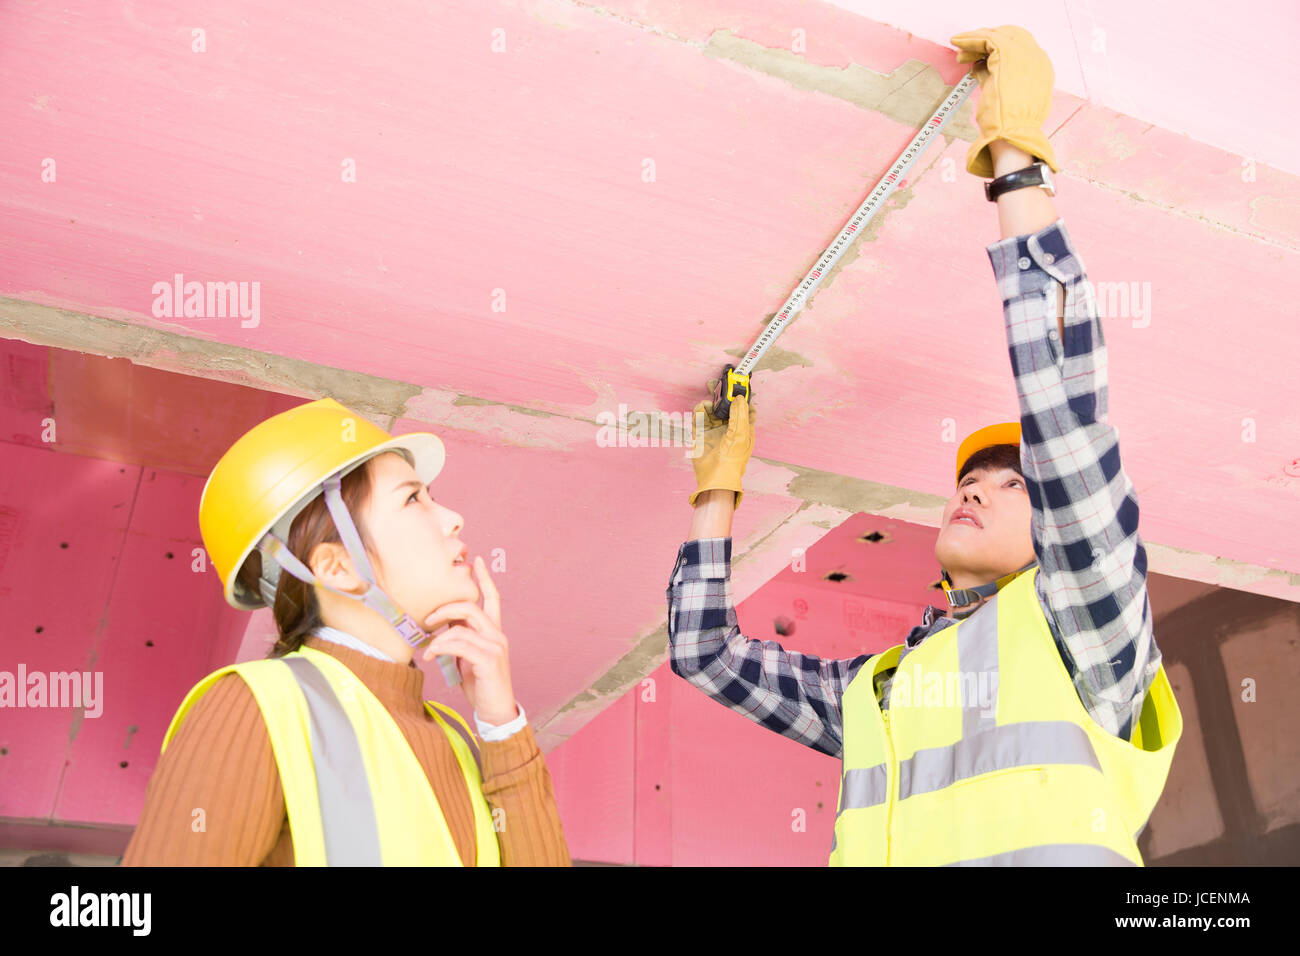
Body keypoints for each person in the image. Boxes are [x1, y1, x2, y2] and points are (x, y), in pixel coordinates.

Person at [667, 26, 1181, 866]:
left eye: (1011, 485)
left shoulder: (1086, 626)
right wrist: (719, 490)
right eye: (970, 478)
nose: (973, 489)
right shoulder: (878, 695)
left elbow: (1066, 418)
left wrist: (1017, 160)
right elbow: (704, 654)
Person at [122, 397, 570, 865]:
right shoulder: (256, 705)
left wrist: (501, 726)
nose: (452, 518)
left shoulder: (457, 735)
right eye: (413, 498)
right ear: (338, 566)